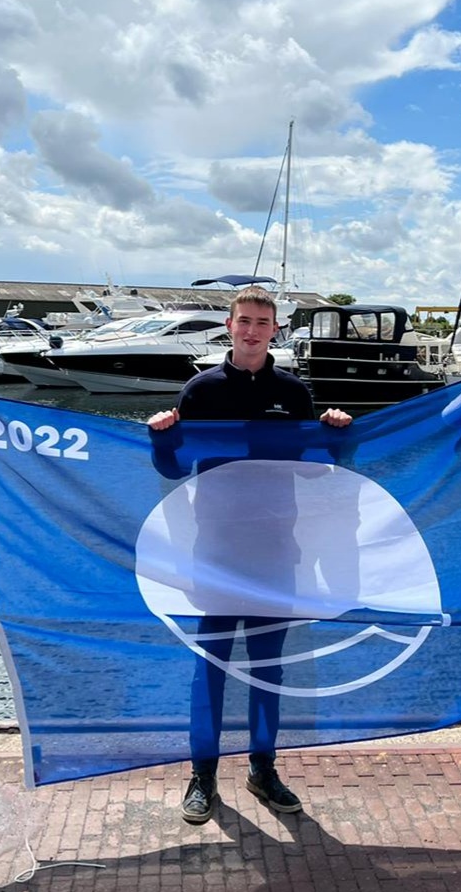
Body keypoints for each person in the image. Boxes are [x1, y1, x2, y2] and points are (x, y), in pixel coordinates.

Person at [148, 286, 350, 824]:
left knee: (268, 671)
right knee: (210, 670)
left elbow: (314, 470)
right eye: (244, 321)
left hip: (275, 554)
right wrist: (161, 439)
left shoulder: (294, 392)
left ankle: (263, 768)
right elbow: (173, 471)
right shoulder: (200, 390)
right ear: (230, 326)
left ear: (275, 329)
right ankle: (202, 776)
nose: (253, 330)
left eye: (263, 322)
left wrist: (334, 436)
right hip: (213, 553)